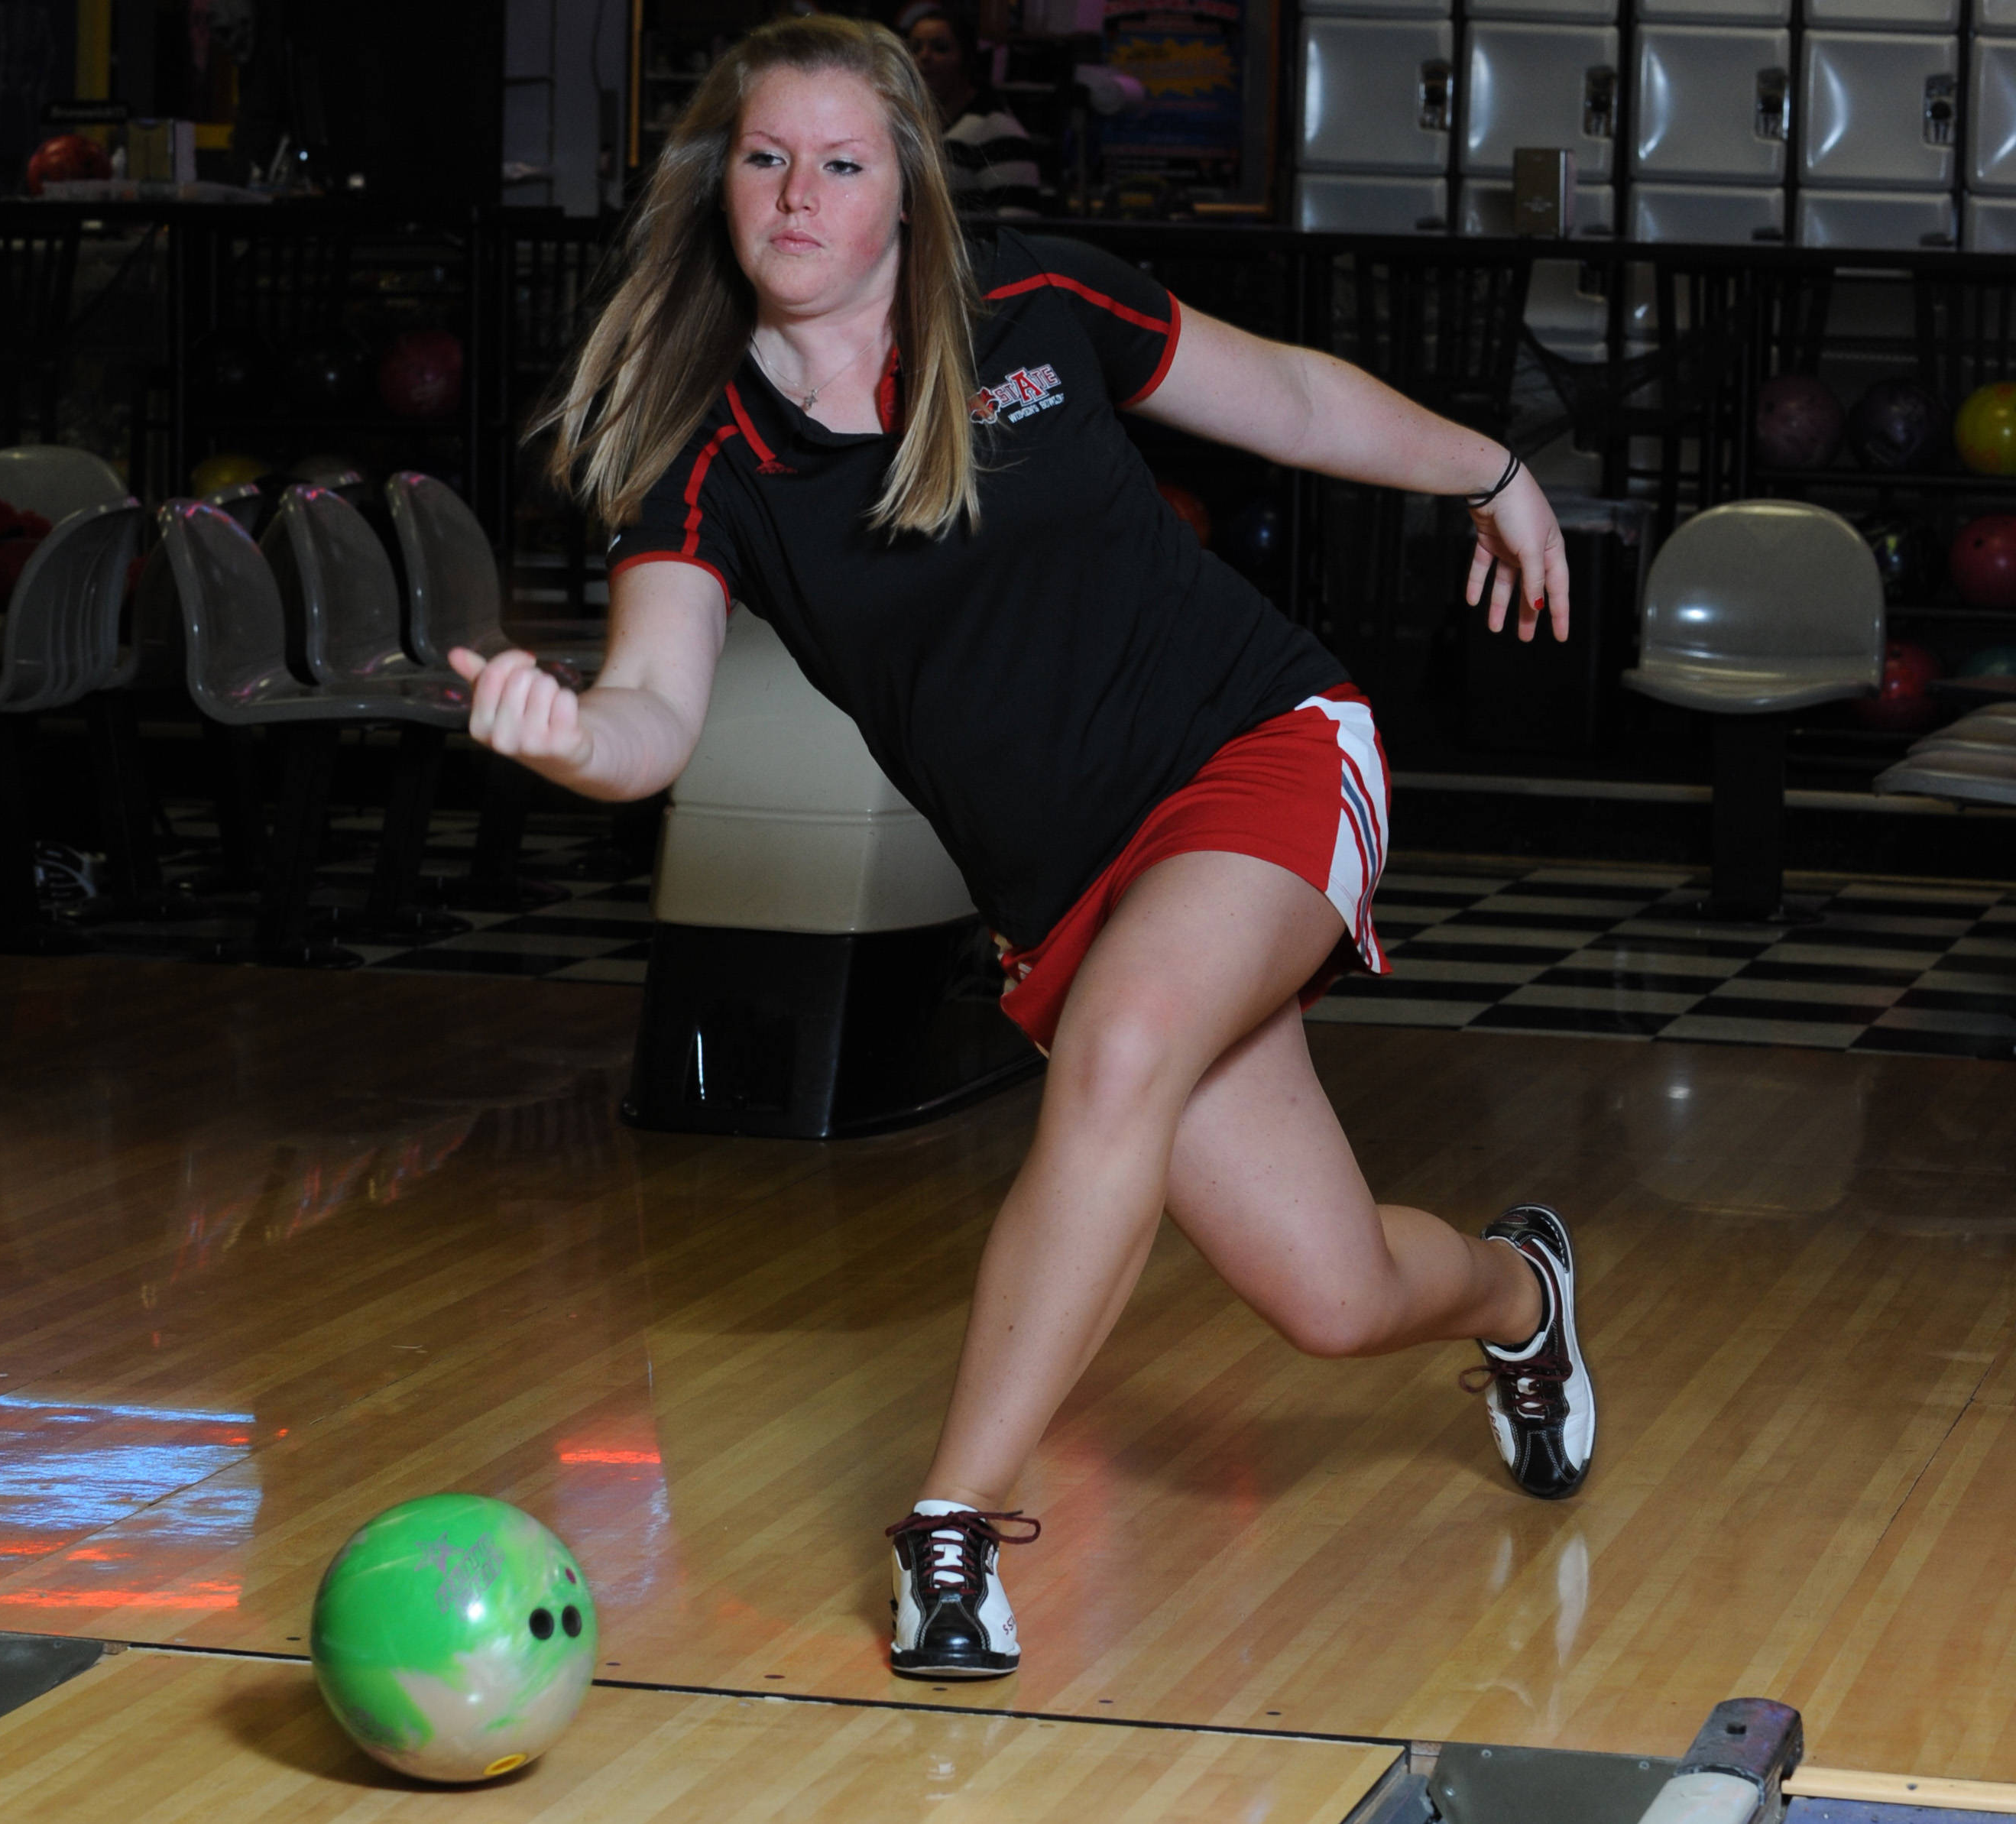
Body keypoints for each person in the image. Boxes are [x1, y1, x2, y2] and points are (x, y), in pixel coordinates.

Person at [452, 14, 1594, 1684]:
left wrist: (1491, 467)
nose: (798, 197)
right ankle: (1521, 1292)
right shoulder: (708, 458)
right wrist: (572, 739)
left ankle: (953, 1524)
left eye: (842, 164)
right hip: (1071, 888)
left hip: (1261, 748)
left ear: (905, 190)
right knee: (1332, 1295)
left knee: (1123, 1045)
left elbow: (1279, 392)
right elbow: (651, 714)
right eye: (766, 160)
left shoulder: (1037, 305)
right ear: (718, 189)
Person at [898, 1, 1040, 216]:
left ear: (967, 58)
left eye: (941, 48)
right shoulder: (910, 125)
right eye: (915, 48)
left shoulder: (996, 129)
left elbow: (1020, 224)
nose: (924, 57)